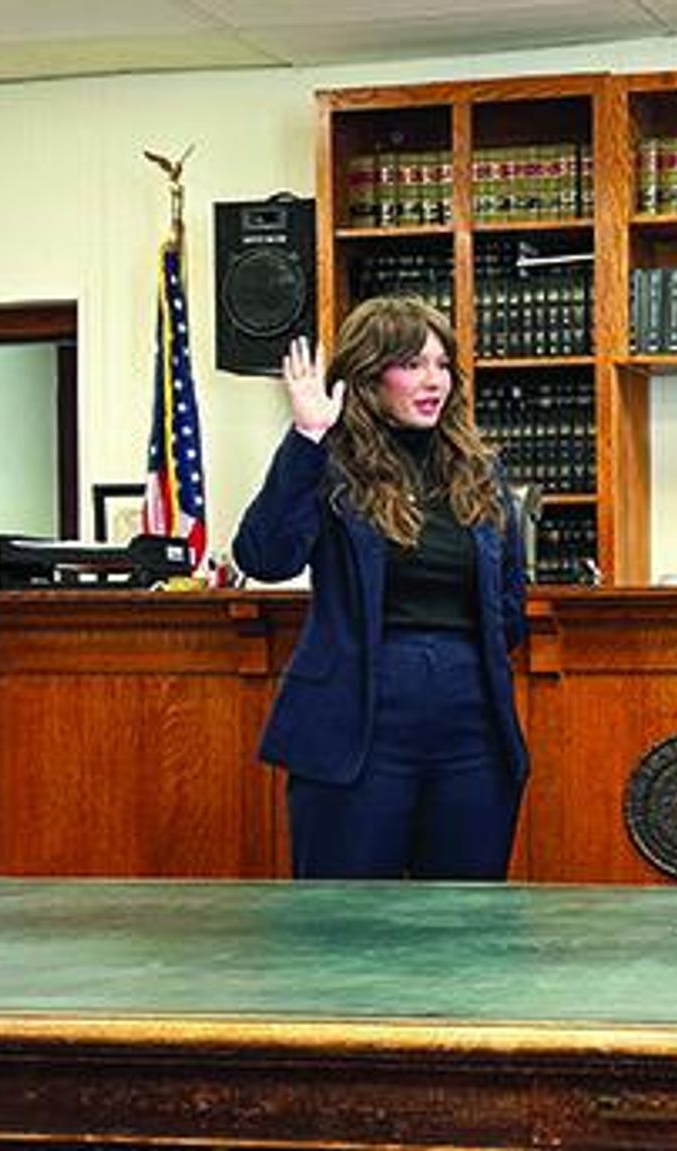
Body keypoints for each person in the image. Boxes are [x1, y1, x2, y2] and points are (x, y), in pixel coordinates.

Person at [233, 296, 529, 880]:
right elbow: (264, 557)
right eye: (413, 365)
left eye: (442, 365)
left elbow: (509, 603)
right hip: (356, 726)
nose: (433, 381)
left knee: (467, 917)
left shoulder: (479, 472)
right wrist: (307, 437)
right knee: (347, 917)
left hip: (471, 729)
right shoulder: (331, 464)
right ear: (369, 377)